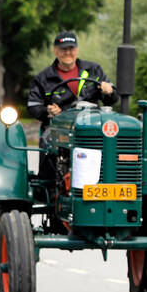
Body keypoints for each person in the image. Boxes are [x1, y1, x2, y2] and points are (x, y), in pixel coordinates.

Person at [27, 30, 119, 188]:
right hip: (58, 127)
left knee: (114, 142)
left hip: (92, 126)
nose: (67, 52)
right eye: (63, 49)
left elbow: (113, 99)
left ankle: (112, 182)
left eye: (71, 48)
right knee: (48, 143)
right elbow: (33, 106)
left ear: (76, 50)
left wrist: (109, 91)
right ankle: (49, 188)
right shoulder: (43, 78)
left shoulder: (94, 70)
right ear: (55, 50)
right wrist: (48, 112)